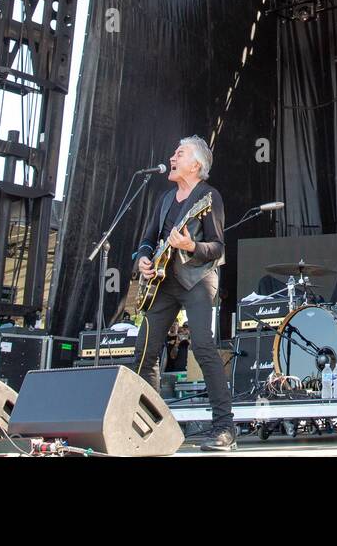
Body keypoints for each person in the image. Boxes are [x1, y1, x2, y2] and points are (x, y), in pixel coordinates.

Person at [131, 137, 236, 452]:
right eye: (174, 151)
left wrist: (190, 246)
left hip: (197, 279)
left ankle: (224, 428)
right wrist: (142, 258)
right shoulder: (164, 199)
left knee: (203, 347)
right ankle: (154, 427)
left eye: (179, 153)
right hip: (162, 284)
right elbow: (148, 239)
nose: (172, 157)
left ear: (196, 165)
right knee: (144, 353)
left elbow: (217, 248)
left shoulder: (208, 196)